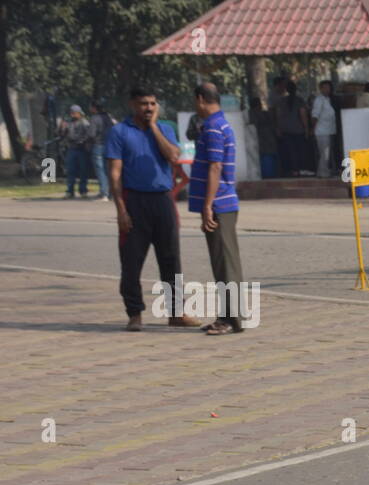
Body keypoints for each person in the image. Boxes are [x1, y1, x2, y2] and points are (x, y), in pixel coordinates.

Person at [104, 88, 200, 331]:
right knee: (131, 261)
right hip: (134, 201)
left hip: (163, 200)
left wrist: (155, 127)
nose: (148, 108)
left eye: (152, 103)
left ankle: (176, 313)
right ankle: (134, 313)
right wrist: (121, 210)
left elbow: (173, 156)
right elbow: (114, 174)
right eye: (143, 104)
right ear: (132, 104)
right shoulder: (119, 132)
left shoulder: (165, 129)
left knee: (171, 260)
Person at [190, 82, 245, 335]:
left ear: (201, 99)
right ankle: (230, 316)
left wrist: (207, 205)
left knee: (225, 264)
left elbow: (215, 167)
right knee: (225, 263)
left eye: (195, 101)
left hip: (219, 203)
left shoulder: (213, 127)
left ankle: (230, 319)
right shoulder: (220, 124)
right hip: (223, 202)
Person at [275, 78, 309, 176]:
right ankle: (301, 169)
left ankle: (293, 170)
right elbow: (303, 115)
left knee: (290, 151)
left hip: (286, 129)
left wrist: (278, 128)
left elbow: (278, 115)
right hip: (298, 129)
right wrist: (306, 128)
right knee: (300, 150)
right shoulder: (299, 100)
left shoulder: (281, 101)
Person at [61, 105, 92, 198]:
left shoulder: (84, 123)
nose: (72, 115)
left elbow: (88, 135)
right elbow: (63, 134)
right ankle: (70, 191)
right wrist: (62, 127)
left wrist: (82, 141)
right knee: (70, 171)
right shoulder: (69, 123)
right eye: (71, 113)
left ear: (79, 113)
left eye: (74, 113)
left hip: (81, 149)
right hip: (71, 149)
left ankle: (83, 190)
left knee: (83, 171)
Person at [310, 79, 338, 177]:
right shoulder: (319, 100)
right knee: (324, 153)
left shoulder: (328, 100)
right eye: (325, 88)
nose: (327, 90)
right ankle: (322, 172)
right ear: (321, 89)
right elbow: (315, 115)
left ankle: (324, 171)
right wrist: (312, 129)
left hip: (329, 130)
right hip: (321, 131)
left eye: (329, 88)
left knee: (327, 153)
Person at [88, 102, 115, 200]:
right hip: (109, 146)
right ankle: (111, 192)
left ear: (94, 108)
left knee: (100, 170)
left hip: (98, 145)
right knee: (108, 170)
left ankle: (104, 193)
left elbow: (91, 134)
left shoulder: (94, 118)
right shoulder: (108, 117)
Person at [250, 96, 278, 178]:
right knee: (268, 159)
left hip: (262, 141)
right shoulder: (263, 114)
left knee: (266, 159)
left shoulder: (252, 113)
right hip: (267, 140)